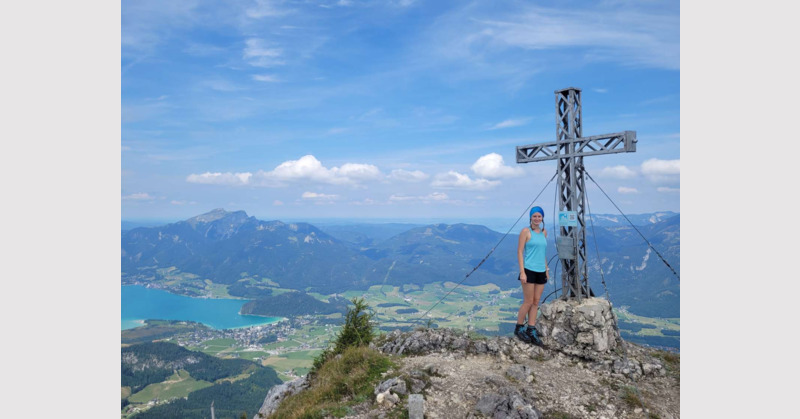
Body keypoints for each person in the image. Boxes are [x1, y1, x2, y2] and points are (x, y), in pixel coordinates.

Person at [514, 206, 549, 346]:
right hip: (528, 270)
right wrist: (522, 272)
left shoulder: (544, 232)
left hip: (541, 270)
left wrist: (546, 269)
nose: (537, 219)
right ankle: (519, 327)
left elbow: (543, 253)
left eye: (539, 216)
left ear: (542, 218)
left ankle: (531, 328)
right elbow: (519, 252)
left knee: (536, 301)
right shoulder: (525, 231)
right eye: (534, 216)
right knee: (528, 301)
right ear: (530, 217)